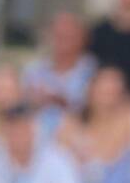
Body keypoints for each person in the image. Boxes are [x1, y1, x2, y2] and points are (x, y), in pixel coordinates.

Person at [55, 66, 130, 183]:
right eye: (103, 91)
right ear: (90, 90)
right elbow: (58, 165)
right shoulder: (71, 124)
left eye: (112, 92)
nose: (107, 96)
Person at [22, 12, 96, 141]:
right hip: (36, 144)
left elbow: (101, 113)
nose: (62, 41)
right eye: (58, 35)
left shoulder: (94, 71)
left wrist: (63, 102)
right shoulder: (33, 71)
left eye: (69, 36)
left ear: (83, 38)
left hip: (80, 142)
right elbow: (19, 110)